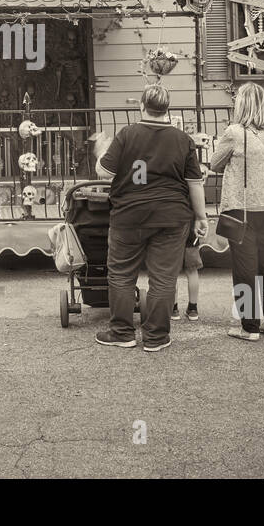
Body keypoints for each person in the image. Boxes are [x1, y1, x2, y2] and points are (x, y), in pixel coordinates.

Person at [94, 84, 209, 352]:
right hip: (172, 216)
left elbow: (103, 172)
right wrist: (201, 217)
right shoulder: (183, 140)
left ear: (141, 106)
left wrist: (101, 149)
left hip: (129, 215)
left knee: (122, 274)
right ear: (167, 109)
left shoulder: (127, 134)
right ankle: (156, 337)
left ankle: (122, 332)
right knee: (164, 278)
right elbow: (195, 183)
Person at [209, 83, 264, 341]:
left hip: (243, 209)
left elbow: (215, 164)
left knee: (245, 269)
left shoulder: (234, 132)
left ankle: (249, 327)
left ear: (241, 105)